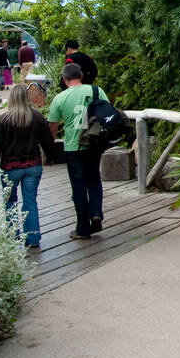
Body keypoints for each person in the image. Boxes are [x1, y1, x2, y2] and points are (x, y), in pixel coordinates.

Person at [0, 84, 53, 251]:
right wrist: (51, 157)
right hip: (33, 165)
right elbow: (47, 142)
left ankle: (12, 235)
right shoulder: (37, 118)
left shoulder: (4, 120)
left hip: (10, 167)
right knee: (30, 201)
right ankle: (32, 237)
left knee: (10, 202)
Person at [47, 62, 107, 239]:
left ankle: (83, 228)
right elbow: (107, 113)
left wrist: (50, 151)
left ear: (65, 80)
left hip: (74, 147)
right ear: (81, 75)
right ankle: (96, 213)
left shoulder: (60, 98)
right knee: (94, 179)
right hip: (93, 143)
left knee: (78, 188)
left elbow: (52, 125)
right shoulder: (97, 91)